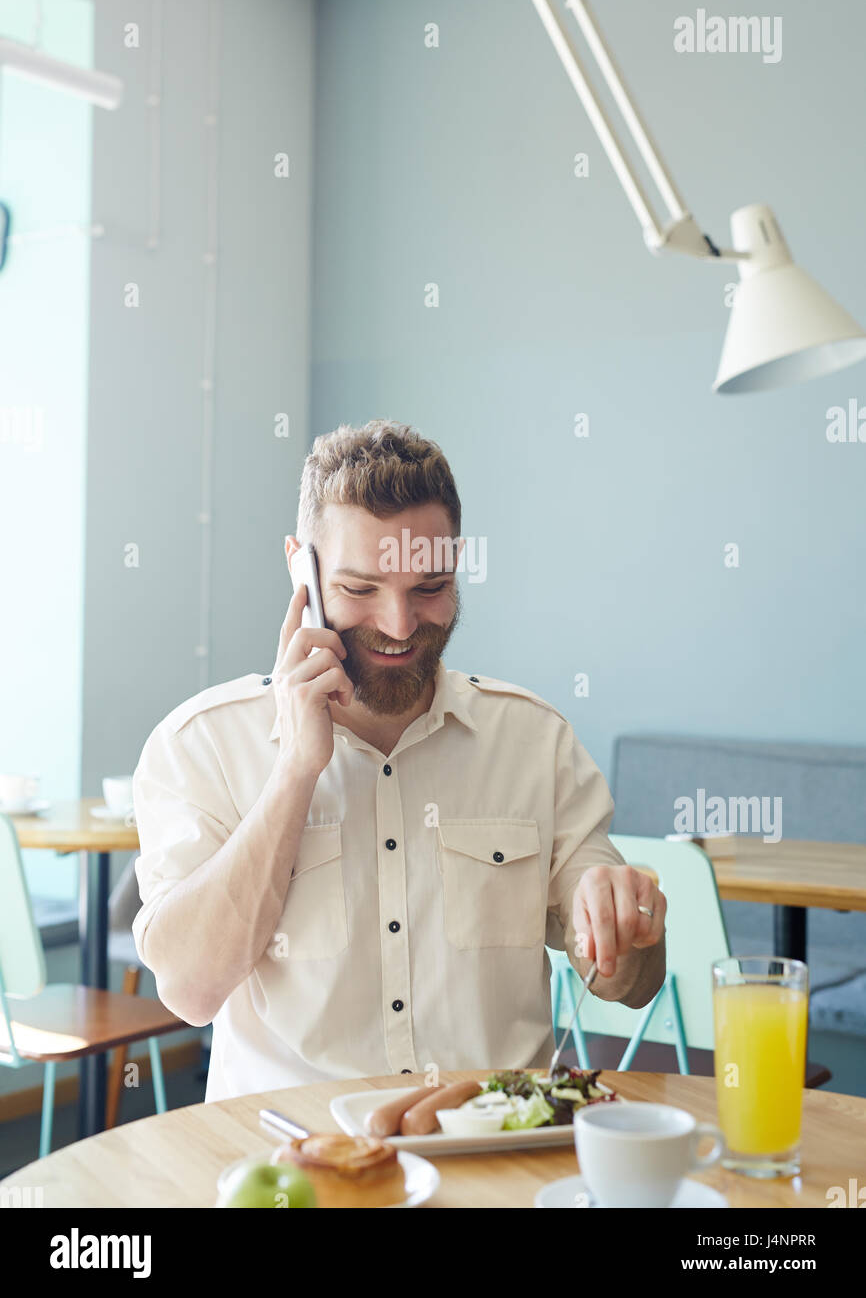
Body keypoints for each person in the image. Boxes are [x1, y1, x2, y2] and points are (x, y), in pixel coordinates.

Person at [131, 420, 666, 1102]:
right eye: (359, 589)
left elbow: (630, 983)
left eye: (429, 586)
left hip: (498, 1155)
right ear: (304, 570)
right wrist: (296, 767)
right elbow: (190, 989)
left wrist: (627, 934)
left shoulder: (534, 740)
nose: (399, 624)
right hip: (293, 1167)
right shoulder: (202, 745)